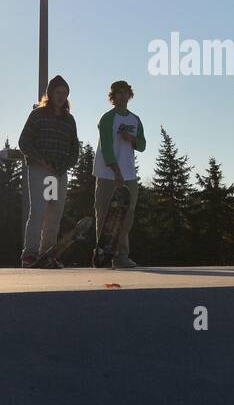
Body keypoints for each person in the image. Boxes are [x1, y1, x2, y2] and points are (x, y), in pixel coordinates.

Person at [17, 75, 80, 268]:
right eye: (57, 92)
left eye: (64, 93)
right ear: (50, 94)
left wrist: (62, 167)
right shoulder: (37, 115)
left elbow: (74, 149)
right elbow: (24, 142)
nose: (61, 96)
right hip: (39, 170)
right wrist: (41, 160)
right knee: (38, 211)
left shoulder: (69, 120)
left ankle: (48, 254)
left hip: (58, 174)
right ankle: (30, 254)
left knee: (54, 212)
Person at [93, 80, 147, 268]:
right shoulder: (107, 119)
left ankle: (122, 256)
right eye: (119, 93)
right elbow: (107, 147)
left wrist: (131, 139)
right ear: (113, 97)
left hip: (129, 175)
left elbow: (142, 145)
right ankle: (103, 254)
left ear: (129, 95)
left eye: (126, 93)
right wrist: (116, 171)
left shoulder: (135, 119)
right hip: (107, 174)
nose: (122, 96)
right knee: (105, 214)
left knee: (126, 215)